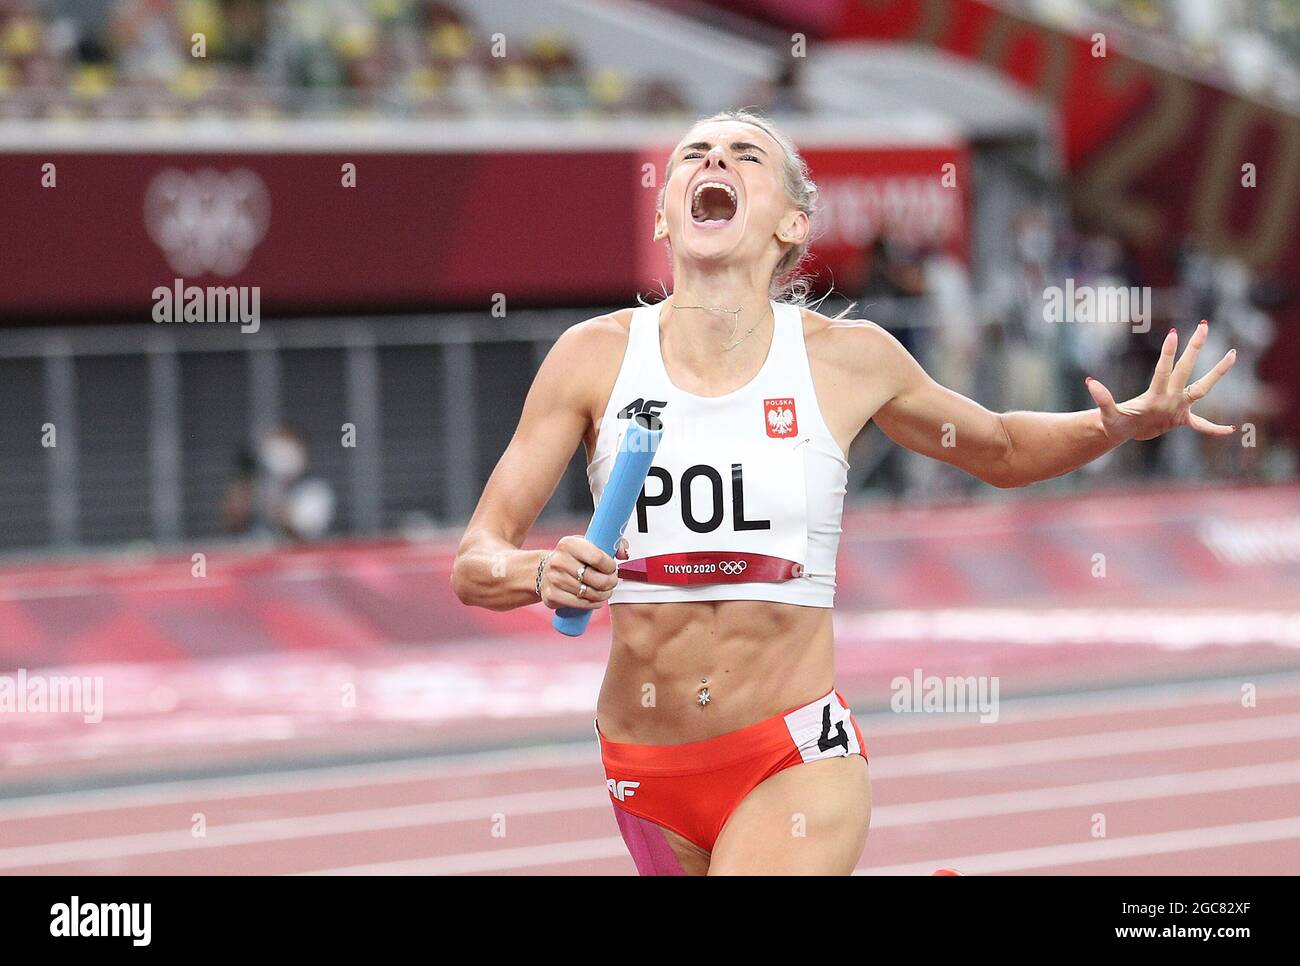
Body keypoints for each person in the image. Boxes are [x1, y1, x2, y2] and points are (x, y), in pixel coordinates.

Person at [450, 109, 1237, 876]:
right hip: (642, 768)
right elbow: (475, 561)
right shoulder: (589, 358)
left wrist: (1120, 425)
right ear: (663, 216)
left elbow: (997, 447)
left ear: (792, 224)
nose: (715, 161)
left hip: (790, 755)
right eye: (695, 153)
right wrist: (536, 573)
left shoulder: (849, 360)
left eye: (745, 154)